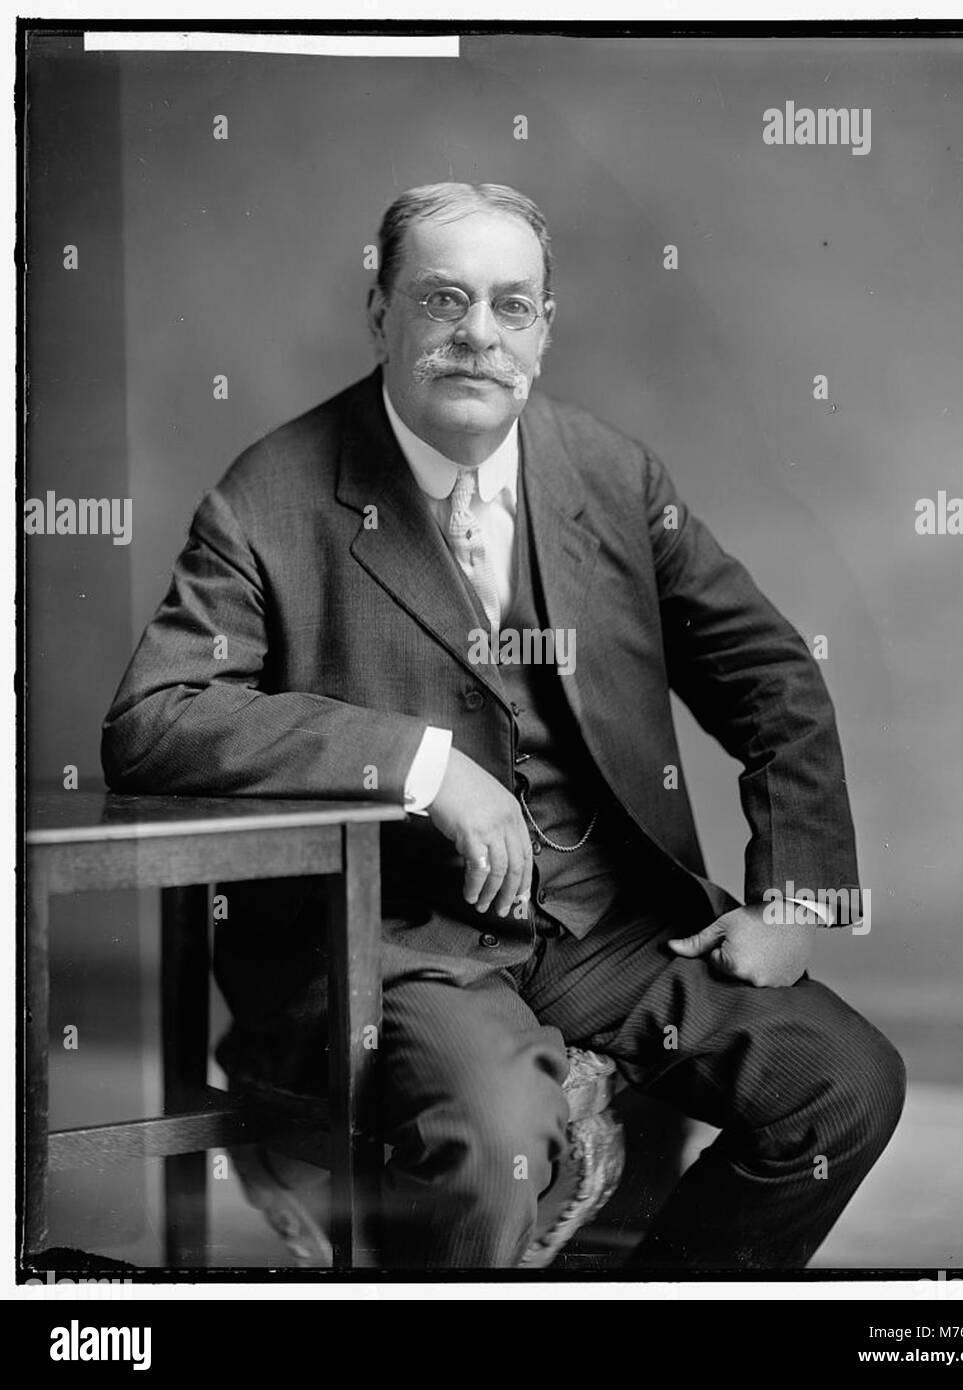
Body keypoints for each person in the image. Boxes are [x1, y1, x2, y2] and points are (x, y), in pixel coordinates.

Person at [101, 181, 905, 1271]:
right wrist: (421, 765)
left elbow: (769, 672)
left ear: (542, 329)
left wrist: (793, 894)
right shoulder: (271, 492)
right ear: (379, 313)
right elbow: (156, 717)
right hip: (406, 945)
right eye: (441, 300)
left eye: (510, 305)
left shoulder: (611, 475)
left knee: (844, 1086)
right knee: (493, 1156)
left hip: (615, 930)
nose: (477, 333)